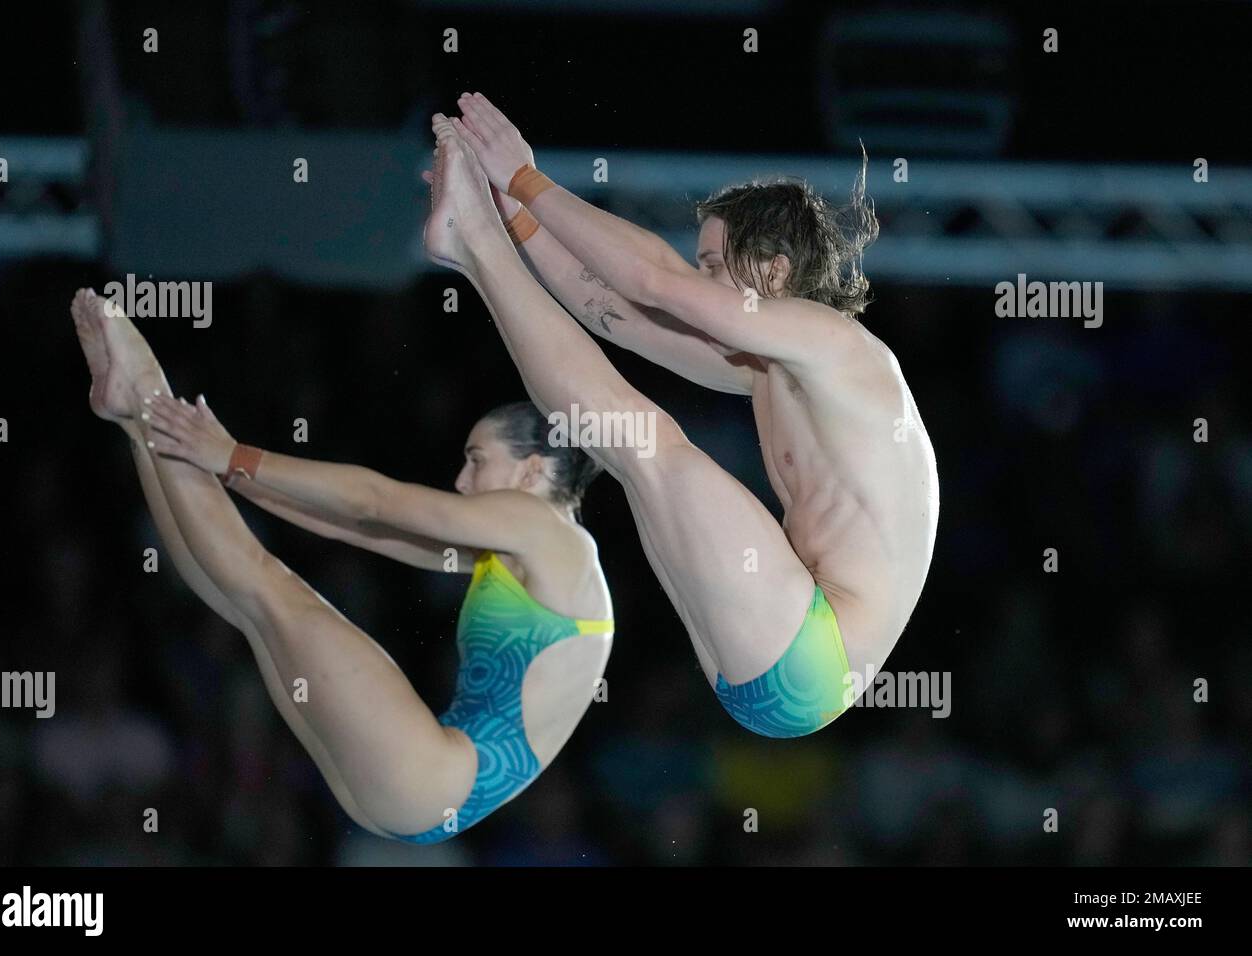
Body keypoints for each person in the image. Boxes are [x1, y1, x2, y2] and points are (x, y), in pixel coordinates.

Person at [419, 93, 938, 738]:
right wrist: (515, 218)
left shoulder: (836, 344)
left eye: (713, 267)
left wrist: (525, 178)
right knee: (624, 443)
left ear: (775, 270)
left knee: (646, 441)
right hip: (777, 664)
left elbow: (655, 281)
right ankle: (476, 247)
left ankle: (473, 246)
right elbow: (620, 314)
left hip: (810, 650)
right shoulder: (767, 368)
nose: (699, 282)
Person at [68, 288, 612, 842]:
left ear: (531, 472)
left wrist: (233, 456)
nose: (461, 482)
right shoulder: (523, 555)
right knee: (245, 603)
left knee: (265, 587)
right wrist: (232, 470)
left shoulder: (545, 527)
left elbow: (375, 500)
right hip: (413, 798)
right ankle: (137, 420)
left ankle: (147, 392)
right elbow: (352, 526)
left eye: (477, 462)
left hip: (430, 774)